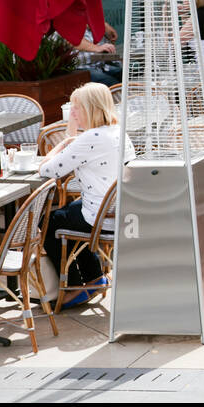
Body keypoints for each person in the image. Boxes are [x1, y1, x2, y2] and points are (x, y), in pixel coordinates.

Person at [38, 82, 134, 304]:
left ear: (91, 108)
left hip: (100, 216)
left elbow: (47, 169)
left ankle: (75, 285)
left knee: (49, 223)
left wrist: (63, 143)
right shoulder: (118, 131)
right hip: (117, 209)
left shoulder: (92, 138)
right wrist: (74, 140)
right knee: (65, 215)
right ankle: (94, 278)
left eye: (76, 107)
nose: (72, 113)